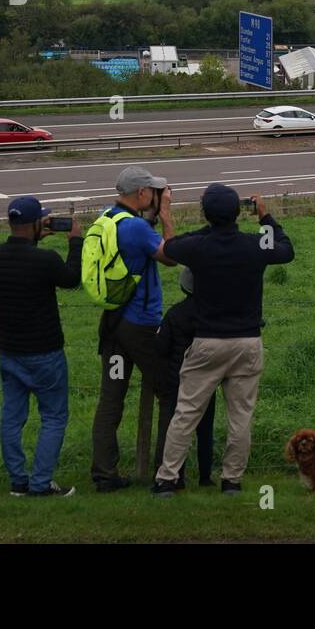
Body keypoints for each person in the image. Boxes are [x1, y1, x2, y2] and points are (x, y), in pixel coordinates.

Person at [152, 185, 293, 496]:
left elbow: (173, 246)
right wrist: (266, 216)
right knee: (240, 416)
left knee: (186, 413)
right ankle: (232, 480)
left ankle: (167, 479)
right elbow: (286, 249)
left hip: (208, 341)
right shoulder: (253, 246)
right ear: (238, 213)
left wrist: (207, 225)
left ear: (206, 215)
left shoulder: (200, 247)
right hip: (247, 342)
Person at [0, 196, 84, 498]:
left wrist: (33, 236)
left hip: (9, 350)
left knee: (12, 417)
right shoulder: (46, 260)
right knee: (53, 416)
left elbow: (17, 259)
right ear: (36, 224)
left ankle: (18, 481)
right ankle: (40, 483)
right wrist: (74, 241)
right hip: (45, 350)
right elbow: (70, 279)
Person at [90, 166, 176, 493]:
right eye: (153, 191)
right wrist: (165, 213)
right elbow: (171, 256)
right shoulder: (139, 228)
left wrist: (151, 216)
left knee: (112, 396)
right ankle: (166, 472)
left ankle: (104, 473)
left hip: (112, 324)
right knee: (169, 390)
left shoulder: (108, 218)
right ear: (142, 194)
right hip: (140, 327)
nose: (156, 195)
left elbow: (135, 245)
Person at [155, 269, 217, 488]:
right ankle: (205, 477)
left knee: (179, 427)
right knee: (205, 429)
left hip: (178, 379)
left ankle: (177, 476)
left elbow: (161, 347)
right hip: (207, 378)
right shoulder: (212, 313)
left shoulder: (174, 313)